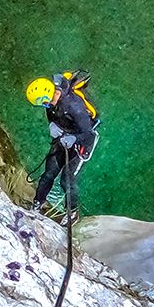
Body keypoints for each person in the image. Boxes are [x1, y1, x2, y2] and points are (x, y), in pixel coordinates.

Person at [25, 70, 99, 219]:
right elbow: (53, 116)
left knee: (67, 179)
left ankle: (72, 212)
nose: (45, 106)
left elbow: (89, 134)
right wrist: (52, 125)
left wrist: (73, 139)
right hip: (63, 137)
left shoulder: (74, 106)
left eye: (44, 102)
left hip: (81, 143)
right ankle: (38, 203)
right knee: (48, 174)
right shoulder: (52, 103)